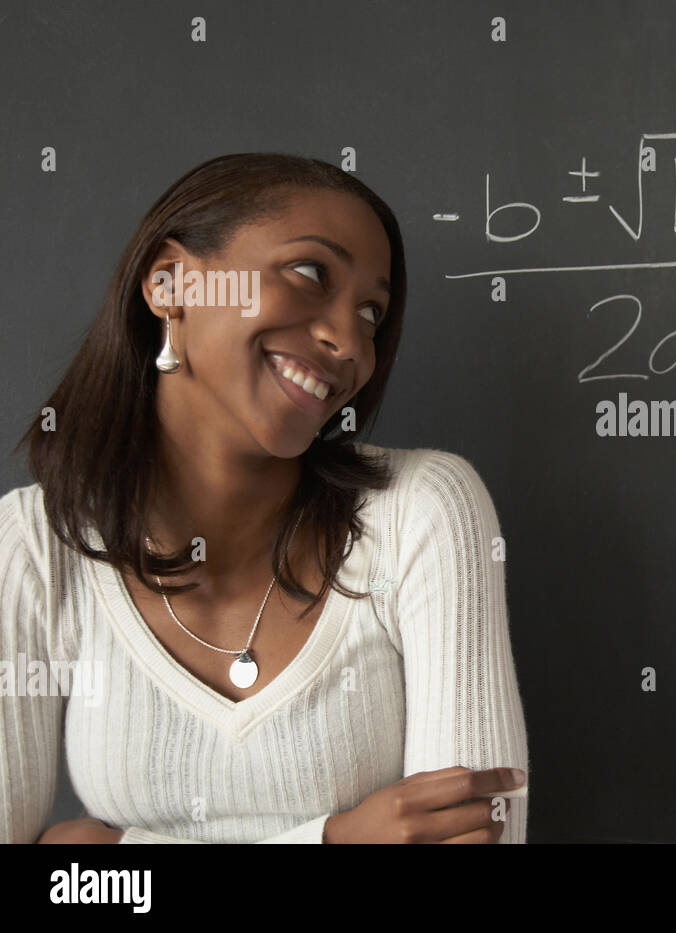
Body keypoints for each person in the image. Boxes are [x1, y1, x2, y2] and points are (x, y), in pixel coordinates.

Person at [0, 152, 529, 843]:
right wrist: (336, 840)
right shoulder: (36, 549)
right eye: (311, 274)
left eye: (372, 313)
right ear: (170, 283)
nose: (349, 345)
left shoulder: (423, 513)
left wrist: (115, 855)